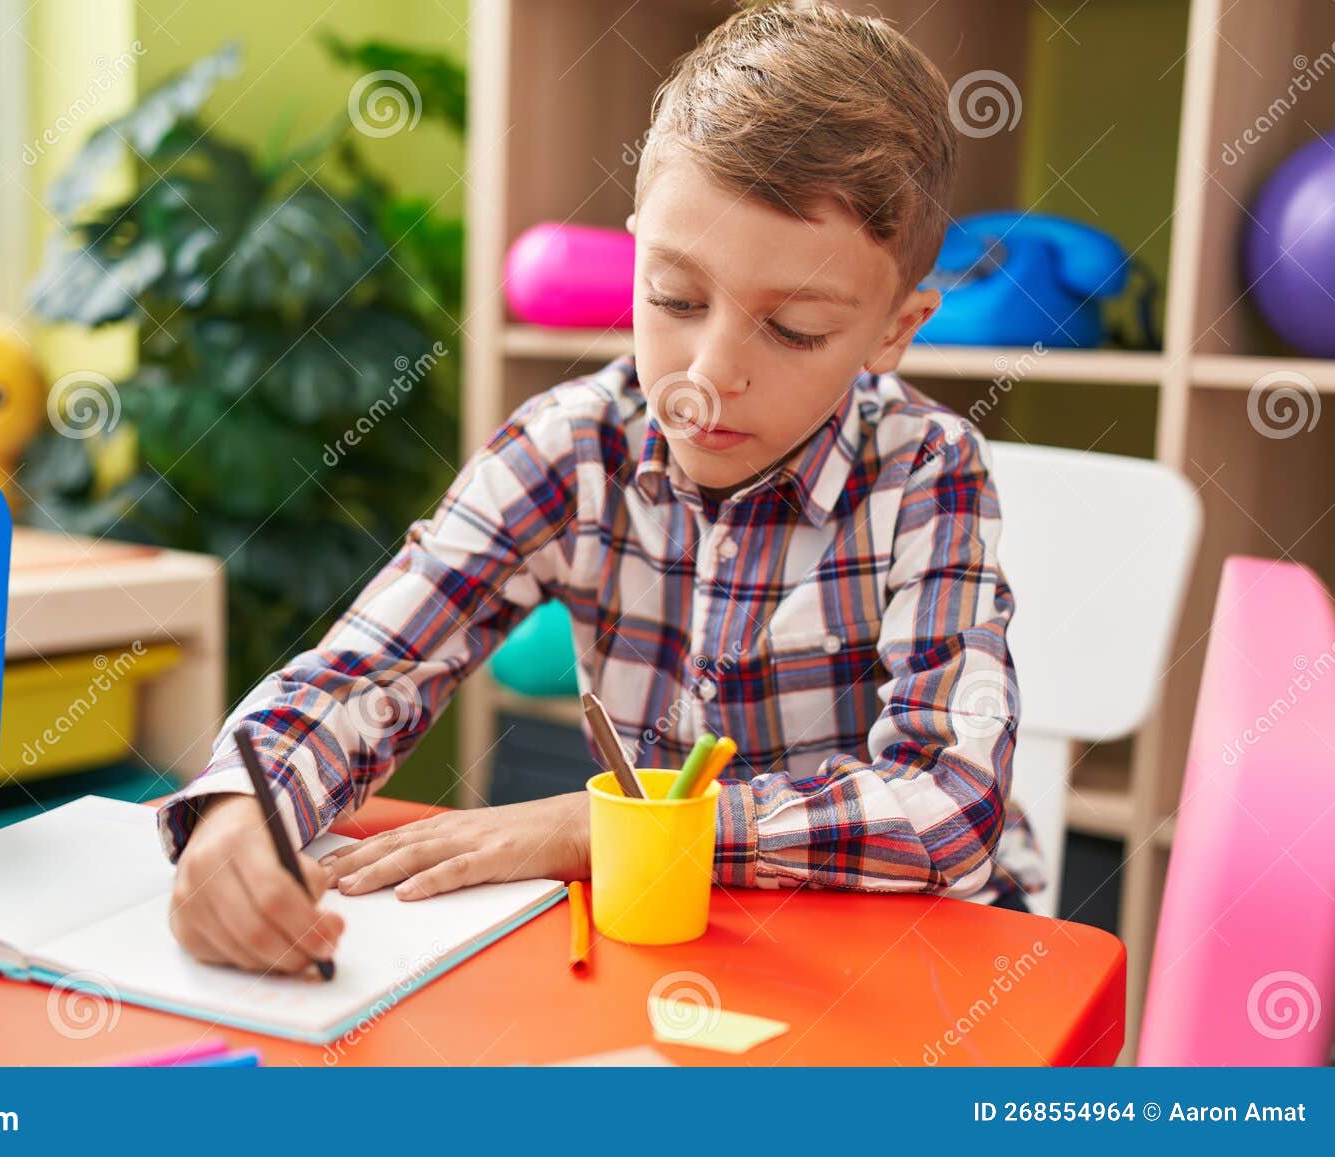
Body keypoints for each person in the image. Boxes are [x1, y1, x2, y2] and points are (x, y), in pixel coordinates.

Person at [163, 0, 1047, 973]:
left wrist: (611, 826)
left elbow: (950, 803)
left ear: (895, 325)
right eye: (672, 297)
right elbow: (372, 673)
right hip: (673, 942)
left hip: (922, 958)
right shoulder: (572, 445)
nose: (706, 373)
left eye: (793, 327)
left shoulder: (927, 469)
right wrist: (242, 803)